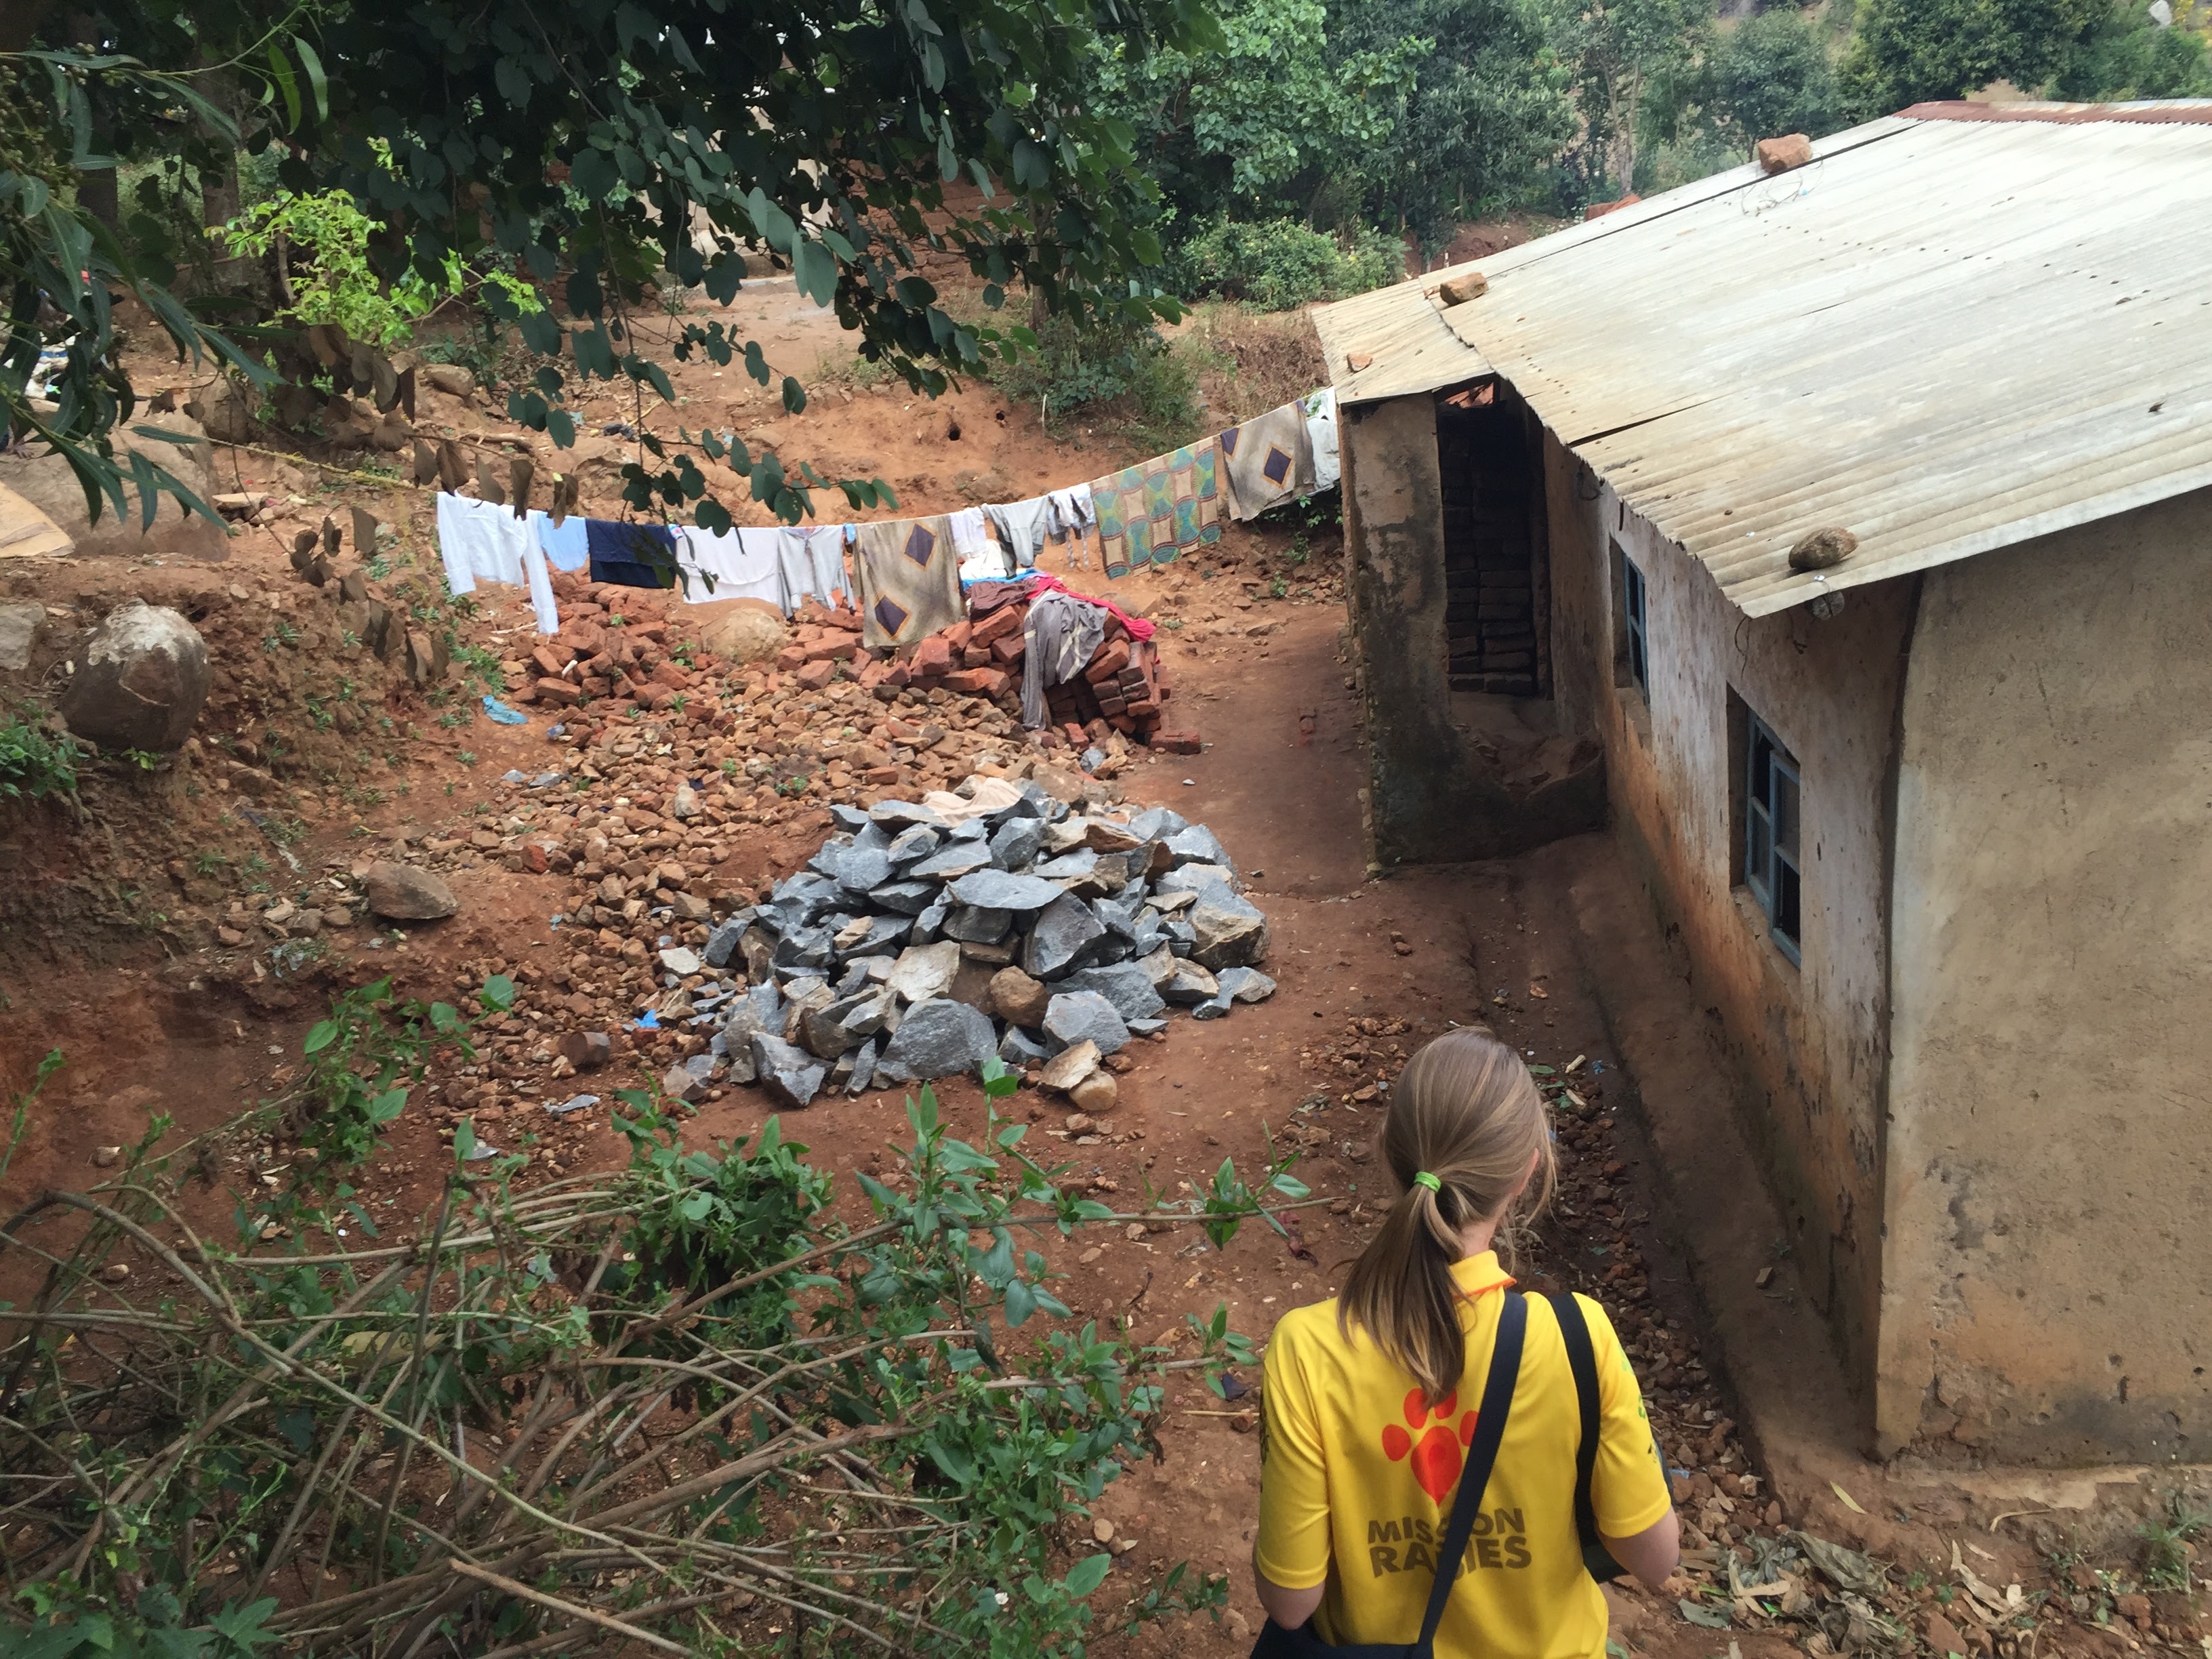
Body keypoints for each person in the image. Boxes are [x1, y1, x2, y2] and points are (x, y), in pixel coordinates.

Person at [1254, 1029, 1679, 1657]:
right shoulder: (1577, 1336)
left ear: (1389, 1154)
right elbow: (1653, 1559)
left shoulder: (1307, 1349)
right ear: (1527, 1171)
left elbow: (1292, 1604)